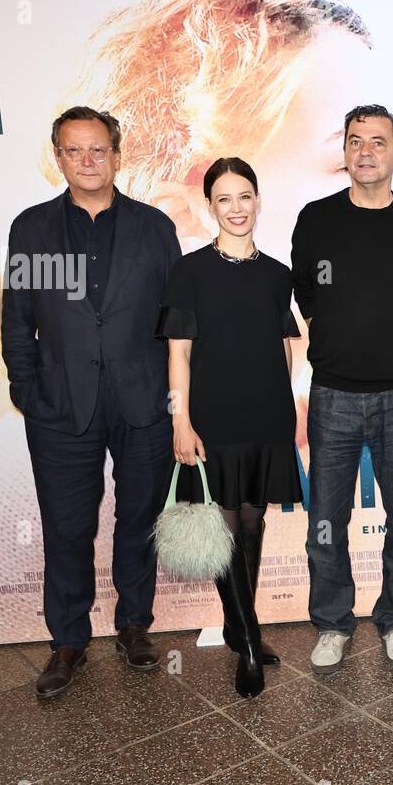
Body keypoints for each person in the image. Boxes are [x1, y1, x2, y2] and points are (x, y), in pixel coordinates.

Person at [1, 106, 181, 699]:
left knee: (139, 520)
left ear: (117, 154)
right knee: (67, 527)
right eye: (74, 151)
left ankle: (134, 626)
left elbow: (175, 320)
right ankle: (68, 640)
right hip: (60, 407)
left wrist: (175, 398)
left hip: (143, 403)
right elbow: (17, 318)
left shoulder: (155, 228)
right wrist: (28, 390)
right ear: (58, 157)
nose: (87, 161)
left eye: (98, 150)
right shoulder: (31, 230)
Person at [291, 104, 393, 674]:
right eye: (355, 140)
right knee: (324, 520)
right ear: (346, 152)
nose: (366, 151)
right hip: (332, 393)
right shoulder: (315, 219)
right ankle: (333, 623)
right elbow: (305, 290)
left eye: (378, 142)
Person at [157, 157, 303, 697]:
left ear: (258, 201)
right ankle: (246, 643)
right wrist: (181, 418)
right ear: (209, 207)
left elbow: (284, 348)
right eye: (225, 199)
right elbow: (179, 354)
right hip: (213, 419)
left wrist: (284, 409)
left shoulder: (278, 274)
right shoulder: (190, 270)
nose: (236, 209)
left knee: (251, 523)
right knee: (222, 528)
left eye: (245, 197)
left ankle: (243, 625)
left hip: (267, 416)